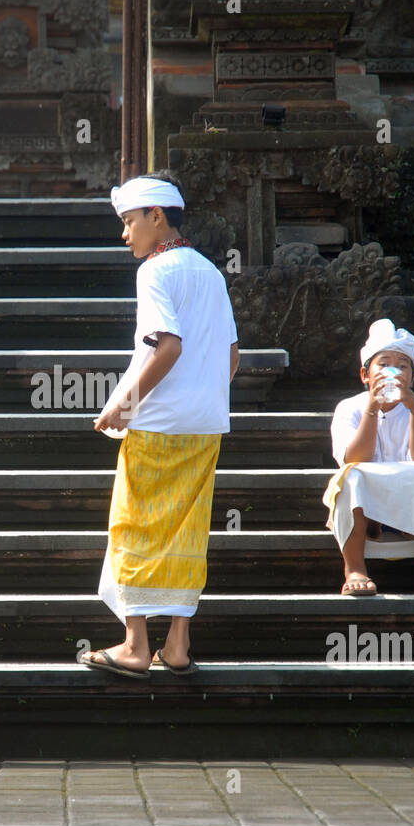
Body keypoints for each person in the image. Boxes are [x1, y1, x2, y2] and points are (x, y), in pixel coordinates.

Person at [80, 171, 239, 679]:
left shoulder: (155, 271)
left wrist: (121, 407)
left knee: (134, 528)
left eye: (129, 221)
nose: (125, 233)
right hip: (206, 421)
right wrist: (203, 392)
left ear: (156, 216)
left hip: (160, 424)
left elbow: (167, 345)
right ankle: (177, 645)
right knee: (186, 532)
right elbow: (232, 356)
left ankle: (134, 644)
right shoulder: (210, 272)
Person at [322, 319, 414, 596]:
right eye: (383, 364)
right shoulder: (350, 407)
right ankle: (355, 569)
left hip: (411, 495)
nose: (393, 370)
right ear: (365, 374)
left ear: (412, 377)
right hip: (368, 500)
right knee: (350, 477)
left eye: (402, 365)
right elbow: (354, 458)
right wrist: (373, 407)